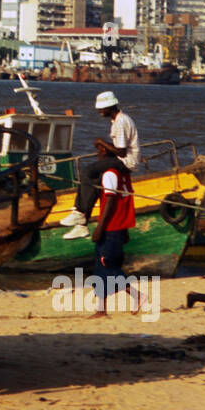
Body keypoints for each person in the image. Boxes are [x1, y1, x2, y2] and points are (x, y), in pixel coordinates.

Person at [61, 91, 140, 240]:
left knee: (87, 171)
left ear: (110, 107)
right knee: (93, 181)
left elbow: (122, 152)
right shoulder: (118, 120)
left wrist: (101, 142)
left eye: (102, 108)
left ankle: (79, 212)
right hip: (123, 159)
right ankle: (82, 223)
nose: (99, 111)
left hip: (127, 162)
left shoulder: (121, 122)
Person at [89, 140, 143, 317]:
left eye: (99, 150)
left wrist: (100, 227)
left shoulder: (110, 174)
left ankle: (137, 295)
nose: (97, 154)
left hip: (111, 226)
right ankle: (101, 309)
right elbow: (126, 201)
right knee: (100, 267)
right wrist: (126, 228)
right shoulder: (124, 174)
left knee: (108, 263)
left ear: (106, 152)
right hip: (120, 226)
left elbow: (111, 202)